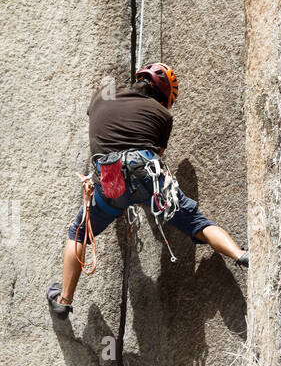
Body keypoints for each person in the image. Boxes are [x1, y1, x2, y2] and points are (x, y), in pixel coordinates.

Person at [46, 62, 247, 317]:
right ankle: (240, 255)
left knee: (80, 233)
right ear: (165, 96)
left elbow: (95, 119)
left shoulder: (103, 95)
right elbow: (158, 152)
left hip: (111, 179)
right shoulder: (163, 115)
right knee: (197, 223)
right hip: (146, 174)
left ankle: (64, 300)